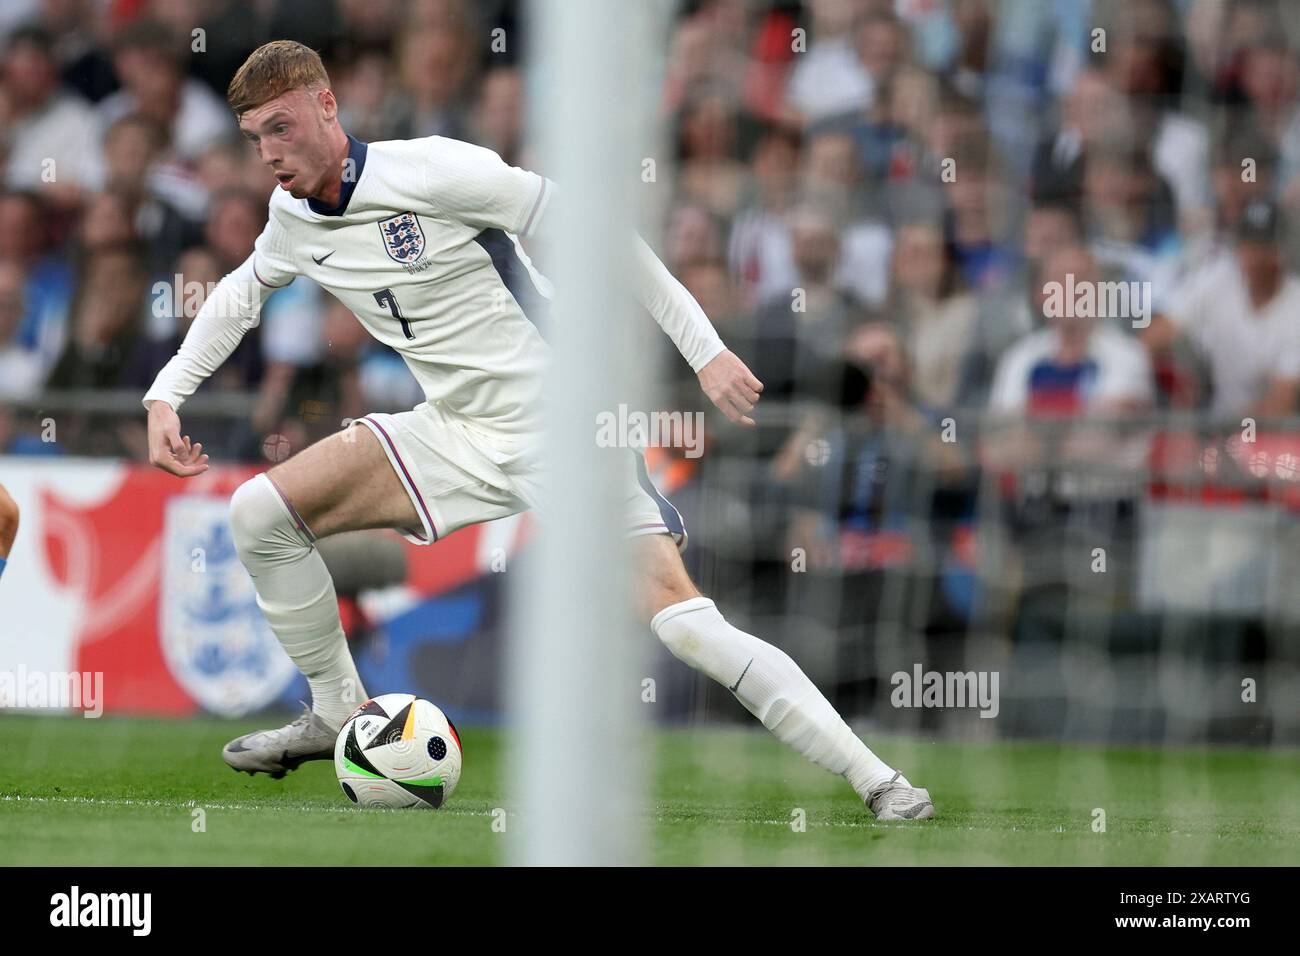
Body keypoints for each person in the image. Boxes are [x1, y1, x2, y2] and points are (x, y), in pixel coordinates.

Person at [142, 41, 934, 821]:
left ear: (327, 105)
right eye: (254, 139)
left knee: (683, 624)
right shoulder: (291, 217)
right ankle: (338, 713)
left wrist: (707, 350)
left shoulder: (435, 170)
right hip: (452, 430)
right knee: (259, 514)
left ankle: (879, 779)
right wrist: (165, 395)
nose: (269, 154)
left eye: (281, 127)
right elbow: (242, 293)